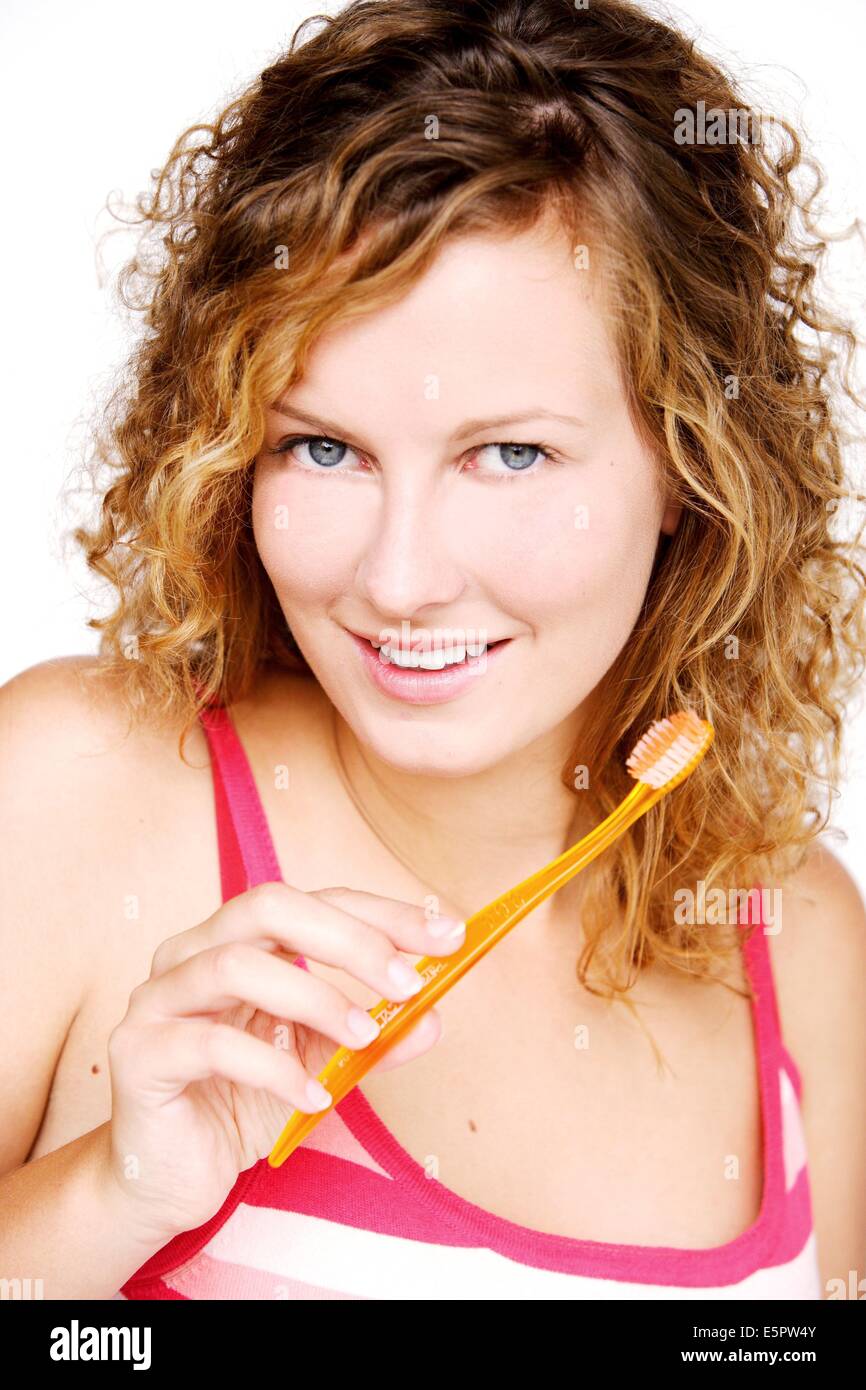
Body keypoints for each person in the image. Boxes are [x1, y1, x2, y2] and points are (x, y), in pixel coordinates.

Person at [2, 0, 864, 1301]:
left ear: (689, 461)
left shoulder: (794, 936)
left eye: (508, 453)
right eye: (322, 446)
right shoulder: (74, 790)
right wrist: (110, 1198)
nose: (397, 579)